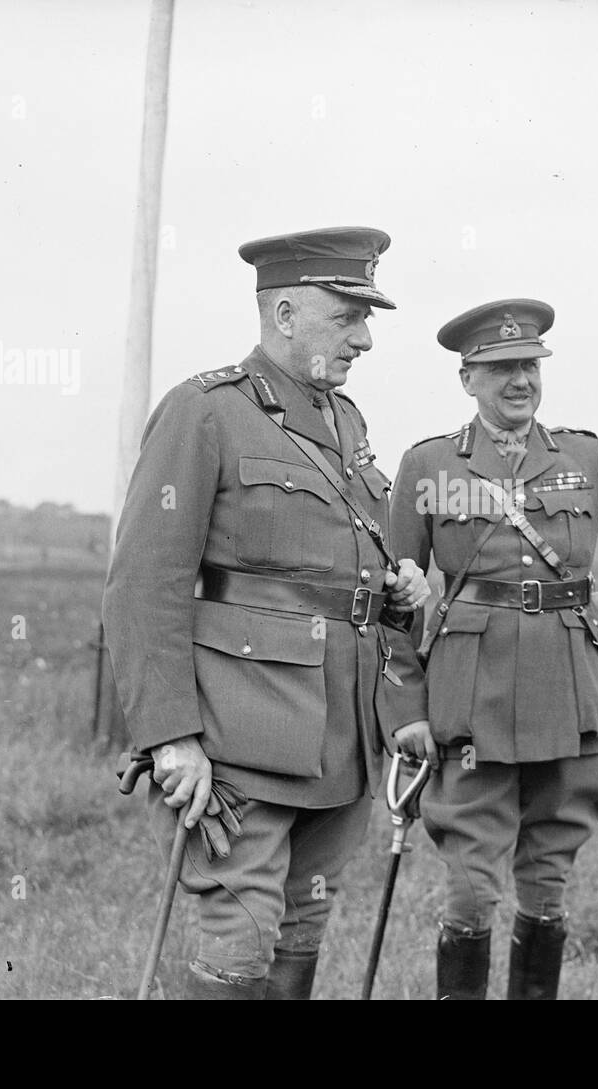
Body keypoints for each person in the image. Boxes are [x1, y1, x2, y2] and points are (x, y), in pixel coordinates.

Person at [103, 226, 431, 1000]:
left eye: (366, 316)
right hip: (238, 739)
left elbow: (322, 568)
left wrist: (396, 585)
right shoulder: (204, 411)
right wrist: (170, 735)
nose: (366, 337)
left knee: (301, 931)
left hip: (339, 739)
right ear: (284, 314)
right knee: (240, 943)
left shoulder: (343, 421)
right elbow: (142, 582)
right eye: (347, 315)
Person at [389, 298, 598, 999]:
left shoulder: (585, 457)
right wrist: (405, 708)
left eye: (530, 366)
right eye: (501, 368)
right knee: (471, 887)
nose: (520, 381)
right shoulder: (427, 465)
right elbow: (393, 601)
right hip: (470, 700)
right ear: (467, 378)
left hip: (571, 694)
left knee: (549, 879)